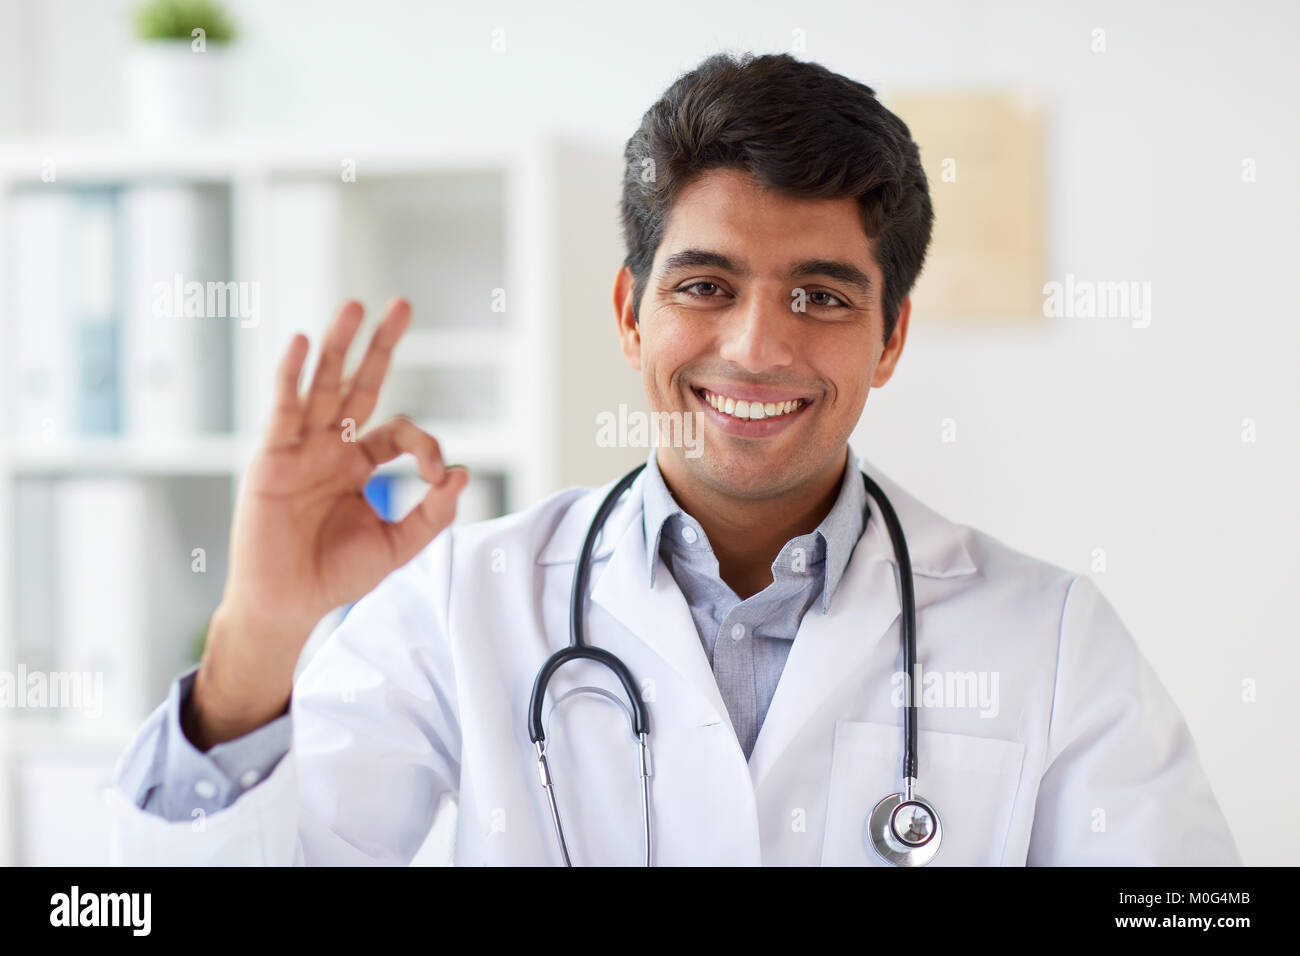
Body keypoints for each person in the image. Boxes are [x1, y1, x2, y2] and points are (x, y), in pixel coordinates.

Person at [107, 51, 1240, 866]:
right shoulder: (465, 601)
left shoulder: (1046, 636)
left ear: (889, 335)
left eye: (820, 294)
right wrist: (257, 634)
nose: (756, 344)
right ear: (628, 312)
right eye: (705, 284)